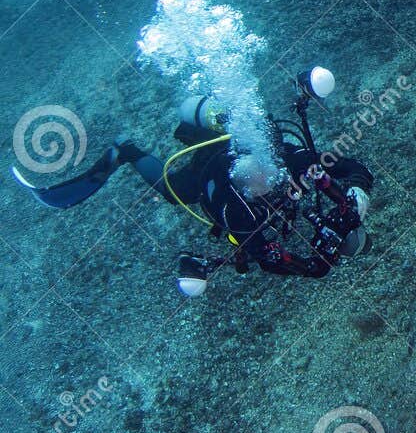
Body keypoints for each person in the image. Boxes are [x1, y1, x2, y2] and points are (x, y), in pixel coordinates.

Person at [12, 70, 373, 294]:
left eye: (275, 179)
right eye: (261, 186)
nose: (274, 185)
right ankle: (125, 151)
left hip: (240, 144)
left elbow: (354, 167)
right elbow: (266, 256)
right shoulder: (235, 208)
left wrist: (355, 194)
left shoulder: (288, 160)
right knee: (173, 191)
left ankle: (201, 123)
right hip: (208, 167)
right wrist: (311, 267)